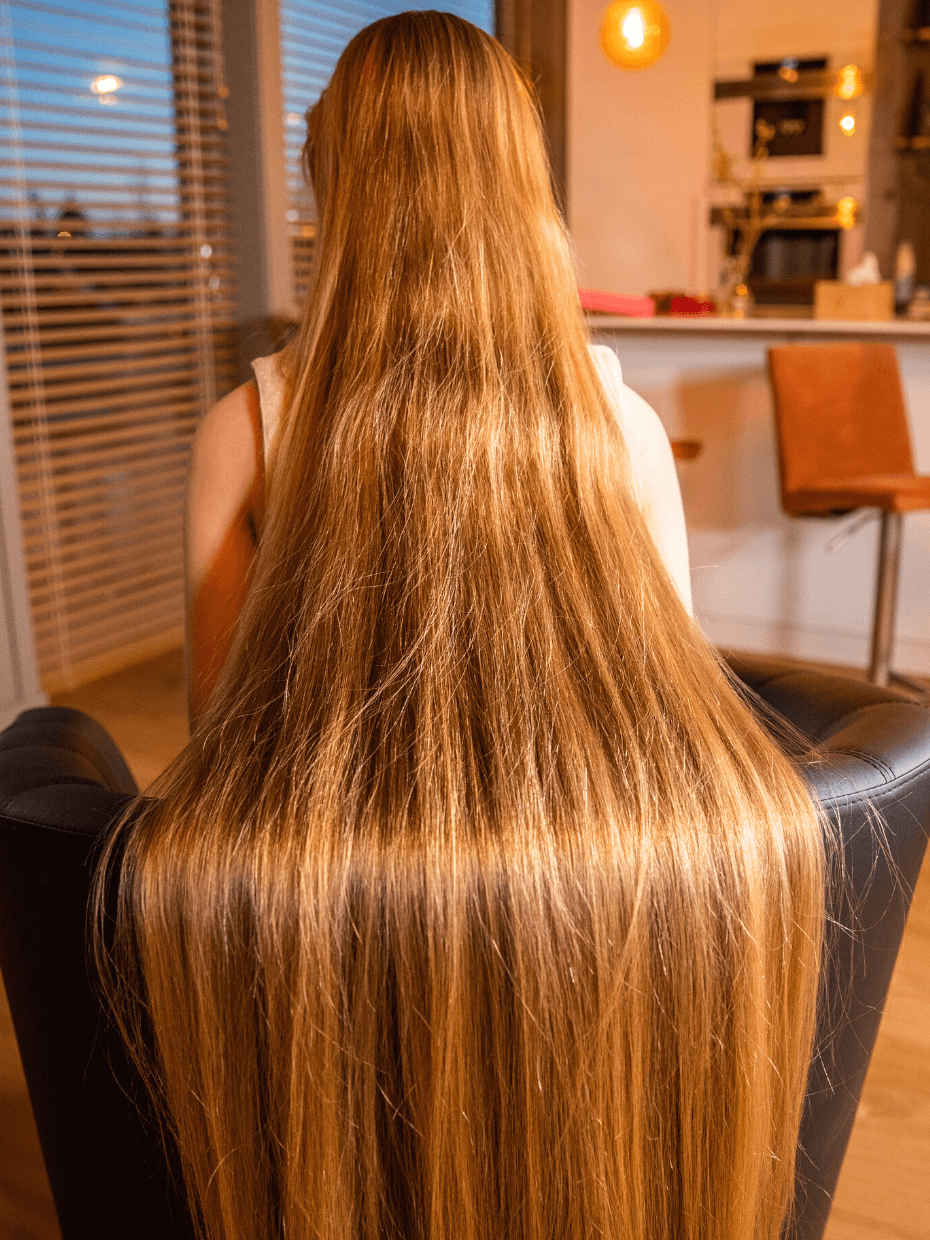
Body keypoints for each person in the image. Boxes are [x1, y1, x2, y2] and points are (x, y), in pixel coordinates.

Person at [95, 13, 826, 1240]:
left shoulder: (248, 431)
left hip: (330, 969)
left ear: (340, 183)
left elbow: (217, 754)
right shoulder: (624, 429)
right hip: (593, 955)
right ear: (518, 177)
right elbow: (668, 731)